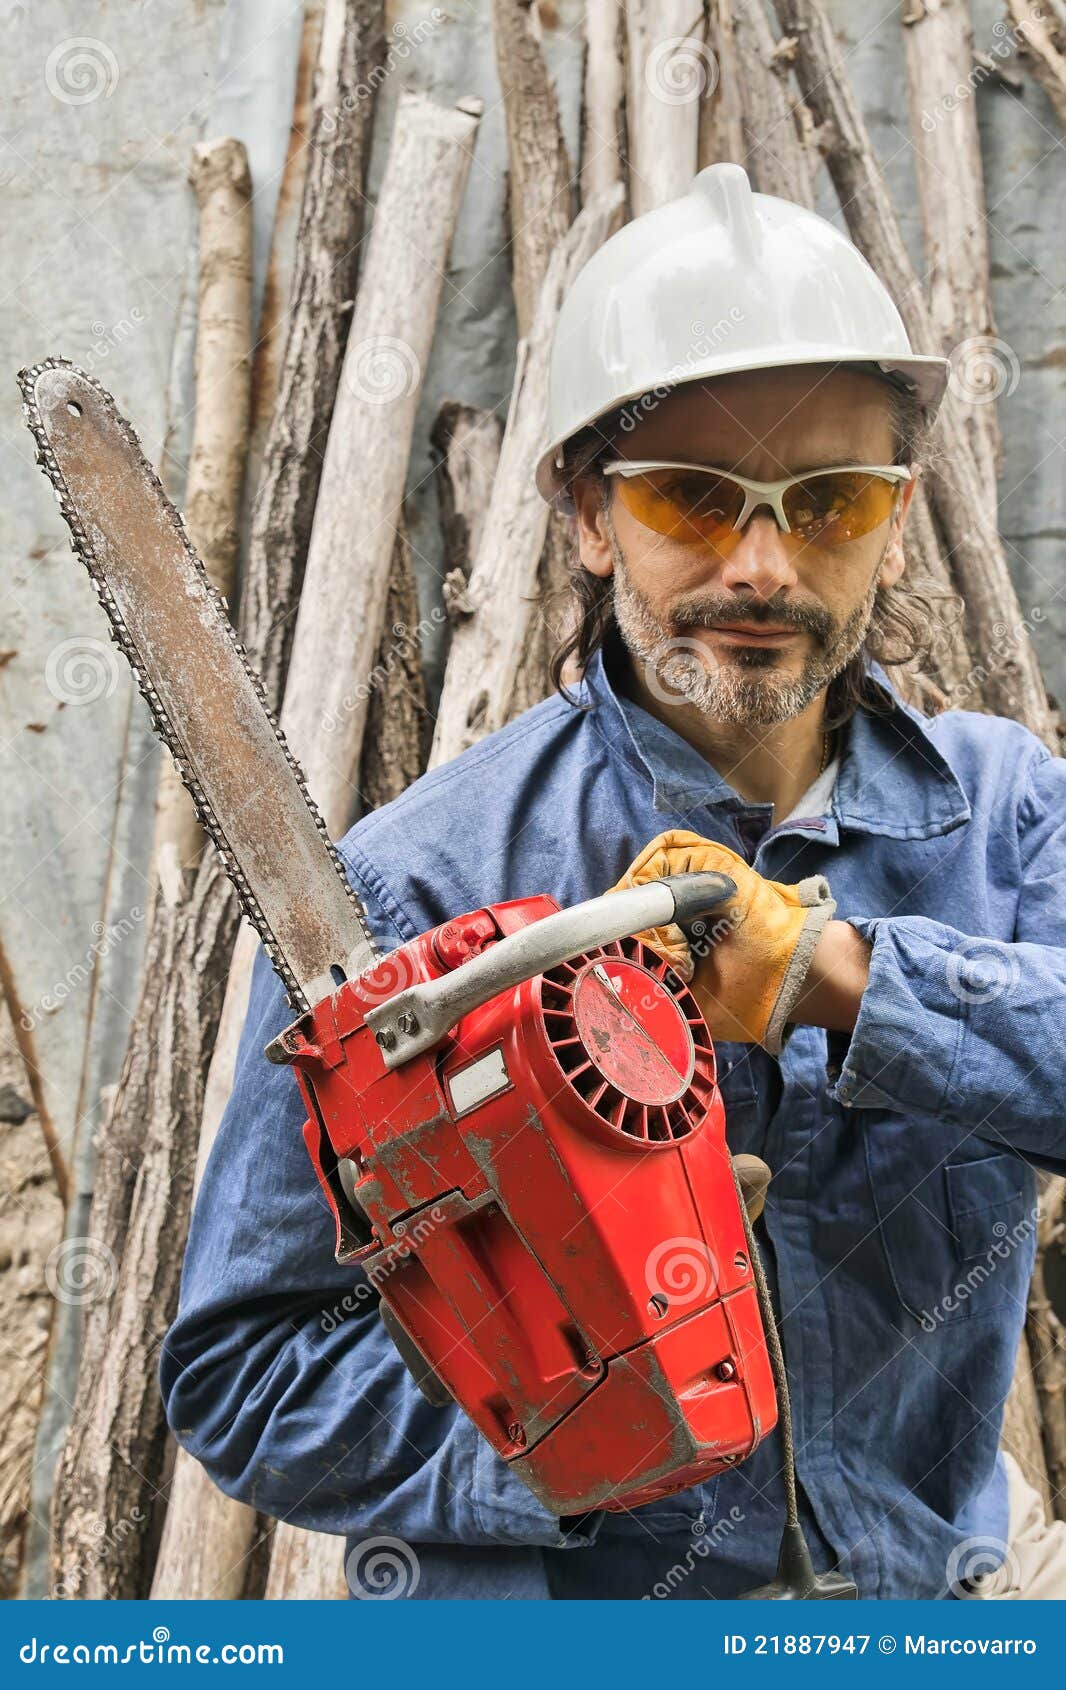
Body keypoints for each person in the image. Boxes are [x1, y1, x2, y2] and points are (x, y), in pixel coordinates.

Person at [161, 163, 1066, 1600]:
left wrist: (842, 981)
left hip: (926, 1584)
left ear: (893, 518)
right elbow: (245, 1368)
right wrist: (572, 1429)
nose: (762, 563)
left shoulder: (1001, 813)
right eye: (691, 500)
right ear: (586, 515)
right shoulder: (422, 887)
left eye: (827, 500)